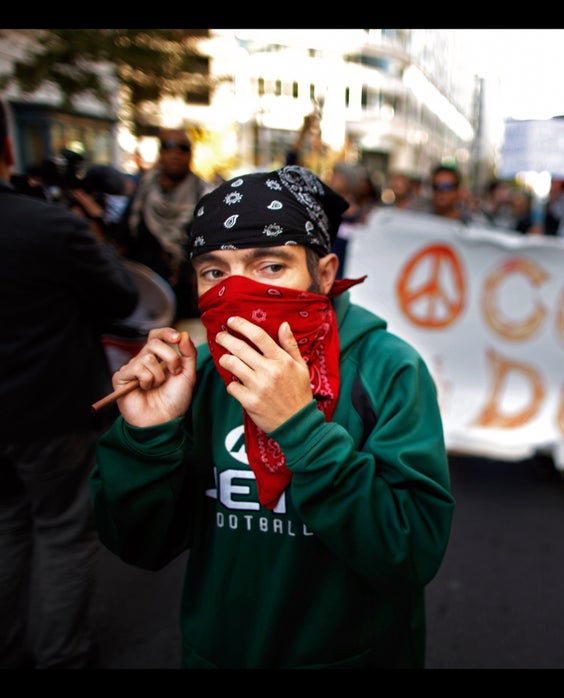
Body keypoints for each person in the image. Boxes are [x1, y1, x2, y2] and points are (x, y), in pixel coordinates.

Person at [89, 165, 455, 668]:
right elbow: (138, 544)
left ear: (324, 275)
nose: (237, 293)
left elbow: (411, 551)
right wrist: (148, 436)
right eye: (214, 272)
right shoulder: (195, 377)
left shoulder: (390, 370)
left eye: (270, 267)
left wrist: (300, 430)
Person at [0, 98, 140, 669]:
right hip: (50, 411)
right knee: (61, 531)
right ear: (8, 147)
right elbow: (123, 296)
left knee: (7, 525)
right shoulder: (47, 224)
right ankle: (62, 655)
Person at [121, 127, 211, 322]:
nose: (175, 153)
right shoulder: (142, 194)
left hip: (188, 305)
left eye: (183, 148)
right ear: (160, 153)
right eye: (168, 147)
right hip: (145, 300)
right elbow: (124, 238)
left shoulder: (206, 197)